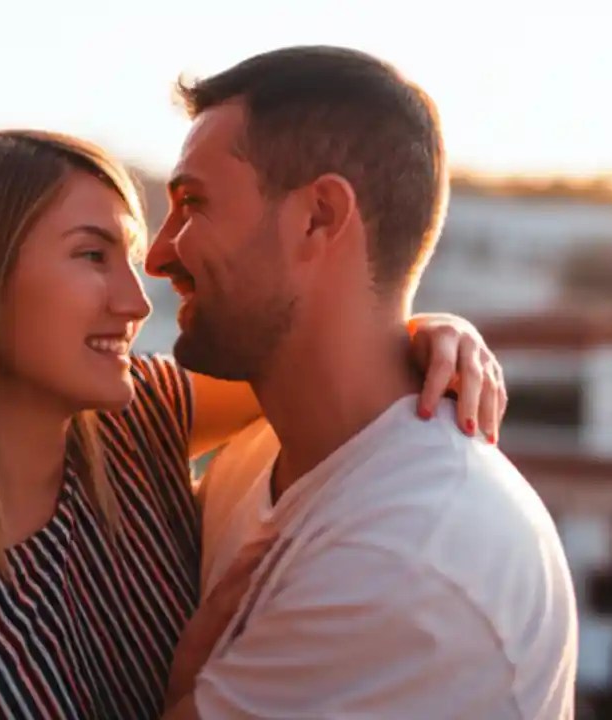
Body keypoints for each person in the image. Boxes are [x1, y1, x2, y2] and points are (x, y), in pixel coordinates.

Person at [0, 128, 505, 719]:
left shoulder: (138, 424)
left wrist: (430, 332)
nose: (137, 302)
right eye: (91, 255)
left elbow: (327, 359)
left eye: (131, 258)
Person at [148, 47, 578, 719]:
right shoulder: (257, 458)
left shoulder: (405, 556)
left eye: (194, 204)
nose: (157, 254)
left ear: (318, 216)